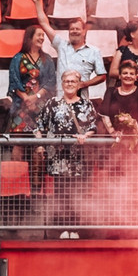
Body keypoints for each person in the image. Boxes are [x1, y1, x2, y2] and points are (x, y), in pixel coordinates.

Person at [33, 69, 99, 239]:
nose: (70, 84)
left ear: (78, 84)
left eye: (73, 81)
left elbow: (93, 127)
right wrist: (40, 144)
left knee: (77, 192)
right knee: (61, 192)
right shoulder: (52, 104)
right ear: (62, 84)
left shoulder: (86, 104)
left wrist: (85, 135)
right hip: (58, 157)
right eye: (66, 81)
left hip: (78, 157)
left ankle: (75, 228)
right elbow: (39, 126)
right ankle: (63, 227)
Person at [32, 0, 105, 96]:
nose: (74, 31)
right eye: (72, 29)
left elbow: (102, 76)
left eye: (77, 29)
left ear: (84, 32)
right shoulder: (61, 45)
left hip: (81, 101)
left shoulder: (94, 51)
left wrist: (84, 84)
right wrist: (37, 3)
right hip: (61, 100)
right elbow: (44, 23)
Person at [6, 25, 54, 137]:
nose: (42, 38)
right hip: (21, 107)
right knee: (19, 143)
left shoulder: (47, 59)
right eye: (39, 35)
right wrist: (26, 98)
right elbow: (14, 80)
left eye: (43, 35)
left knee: (40, 145)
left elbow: (51, 82)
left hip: (41, 107)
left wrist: (35, 97)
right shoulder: (18, 58)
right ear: (30, 37)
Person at [98, 59, 138, 150]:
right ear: (119, 75)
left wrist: (130, 134)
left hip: (135, 142)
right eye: (125, 73)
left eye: (131, 73)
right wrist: (113, 132)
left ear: (135, 77)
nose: (128, 76)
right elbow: (104, 114)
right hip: (113, 140)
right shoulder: (110, 91)